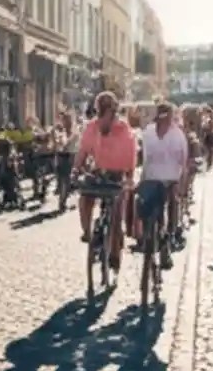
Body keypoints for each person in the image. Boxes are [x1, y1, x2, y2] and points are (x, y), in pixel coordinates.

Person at [74, 91, 138, 272]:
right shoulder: (92, 127)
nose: (103, 117)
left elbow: (131, 155)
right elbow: (83, 151)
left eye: (107, 112)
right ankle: (88, 232)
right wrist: (75, 169)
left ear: (114, 112)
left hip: (117, 176)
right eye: (100, 112)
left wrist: (130, 177)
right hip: (99, 173)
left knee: (116, 216)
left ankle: (115, 255)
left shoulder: (124, 129)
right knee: (84, 198)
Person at [139, 101, 189, 270]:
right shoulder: (148, 133)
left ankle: (169, 238)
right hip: (152, 179)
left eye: (168, 115)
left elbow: (183, 161)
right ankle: (145, 236)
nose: (166, 119)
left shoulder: (178, 135)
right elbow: (144, 158)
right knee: (145, 207)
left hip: (171, 179)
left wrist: (182, 183)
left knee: (173, 203)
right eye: (162, 115)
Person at [55, 112, 81, 211]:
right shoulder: (62, 131)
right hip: (64, 155)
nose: (66, 122)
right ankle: (62, 202)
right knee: (64, 180)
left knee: (65, 180)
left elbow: (69, 142)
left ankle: (63, 202)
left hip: (69, 155)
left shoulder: (73, 131)